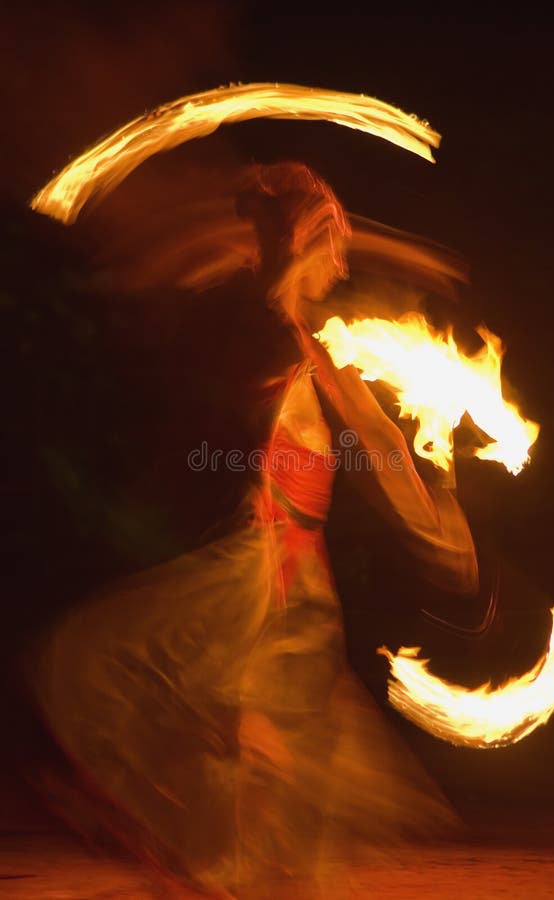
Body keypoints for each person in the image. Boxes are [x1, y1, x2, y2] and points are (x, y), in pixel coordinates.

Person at [29, 161, 477, 897]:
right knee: (241, 735)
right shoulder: (265, 328)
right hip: (252, 569)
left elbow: (374, 442)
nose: (343, 263)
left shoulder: (299, 336)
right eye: (336, 243)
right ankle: (196, 851)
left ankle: (224, 868)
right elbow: (345, 439)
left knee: (284, 755)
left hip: (293, 575)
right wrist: (430, 520)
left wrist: (434, 518)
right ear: (308, 238)